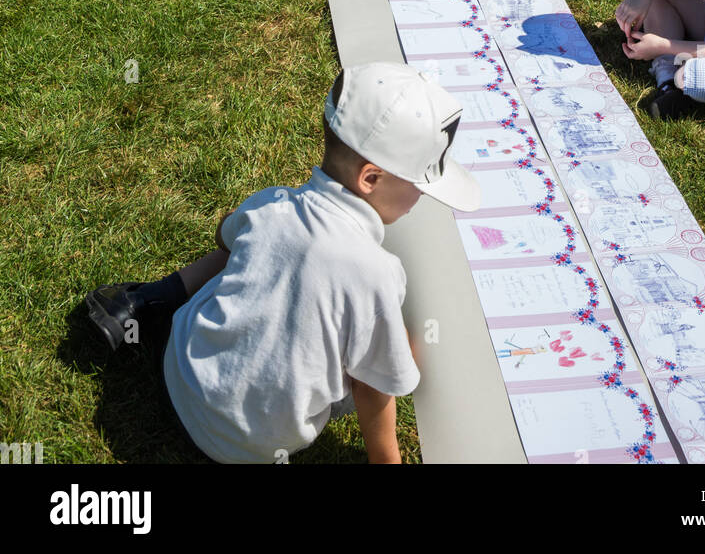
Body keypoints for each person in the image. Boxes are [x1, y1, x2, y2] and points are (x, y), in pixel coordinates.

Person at [85, 61, 479, 462]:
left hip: (182, 374)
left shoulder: (271, 204)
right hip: (249, 446)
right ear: (371, 179)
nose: (423, 196)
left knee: (239, 257)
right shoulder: (379, 274)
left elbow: (226, 235)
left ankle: (148, 299)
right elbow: (374, 386)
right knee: (402, 352)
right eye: (420, 183)